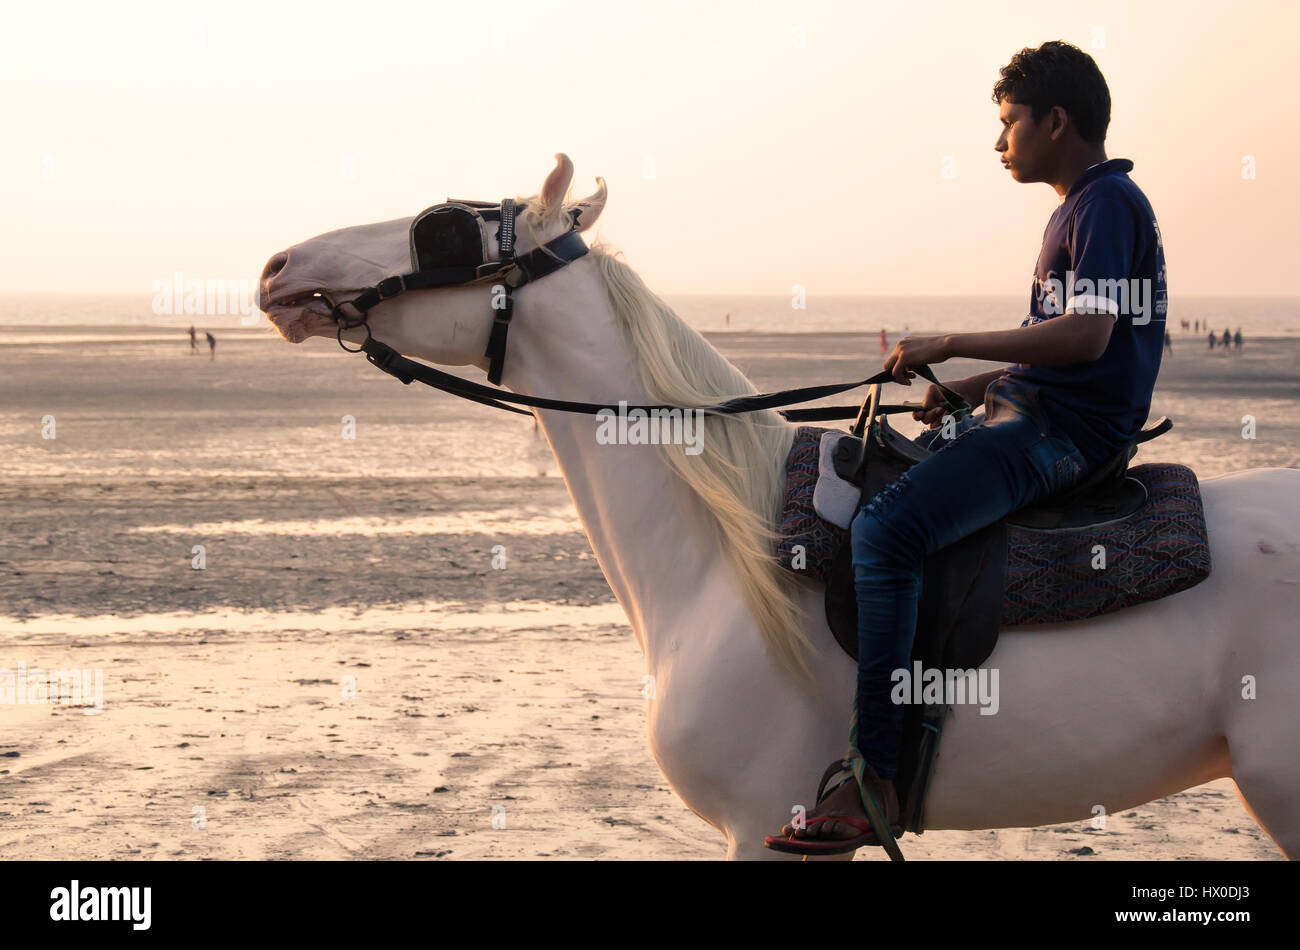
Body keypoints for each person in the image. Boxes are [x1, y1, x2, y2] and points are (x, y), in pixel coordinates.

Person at [768, 40, 1167, 855]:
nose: (998, 143)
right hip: (1041, 414)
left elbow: (1089, 337)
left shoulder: (1105, 205)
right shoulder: (1085, 206)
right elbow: (1061, 347)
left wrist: (949, 344)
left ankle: (873, 771)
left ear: (1057, 121)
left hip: (1062, 440)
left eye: (1009, 123)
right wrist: (979, 389)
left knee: (885, 532)